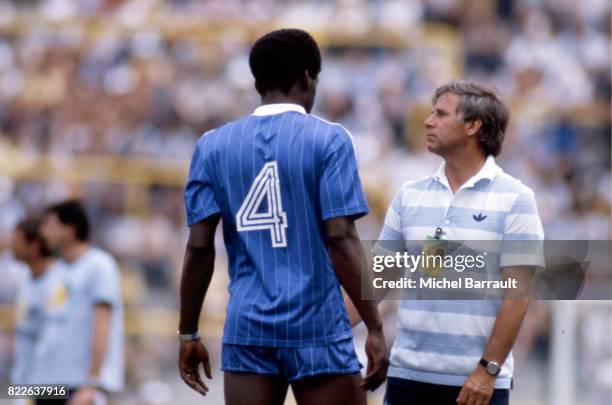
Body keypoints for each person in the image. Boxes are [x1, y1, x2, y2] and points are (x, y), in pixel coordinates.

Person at [178, 28, 388, 405]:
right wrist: (373, 326)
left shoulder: (211, 146)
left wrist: (188, 333)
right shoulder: (329, 139)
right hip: (317, 326)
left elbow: (198, 249)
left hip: (248, 328)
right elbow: (340, 237)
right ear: (307, 78)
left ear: (257, 81)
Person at [356, 80, 544, 405]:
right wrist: (320, 332)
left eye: (441, 114)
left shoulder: (516, 199)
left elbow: (519, 295)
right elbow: (376, 280)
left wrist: (487, 371)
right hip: (407, 379)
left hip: (476, 387)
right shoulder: (409, 195)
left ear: (473, 125)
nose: (428, 121)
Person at [34, 200, 124, 405]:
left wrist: (92, 383)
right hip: (50, 384)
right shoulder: (56, 271)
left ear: (69, 229)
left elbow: (102, 324)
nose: (44, 233)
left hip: (81, 385)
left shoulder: (99, 265)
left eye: (49, 225)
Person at [10, 217, 66, 386]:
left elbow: (56, 337)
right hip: (24, 380)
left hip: (49, 384)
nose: (12, 246)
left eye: (17, 241)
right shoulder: (26, 281)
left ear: (34, 246)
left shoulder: (59, 283)